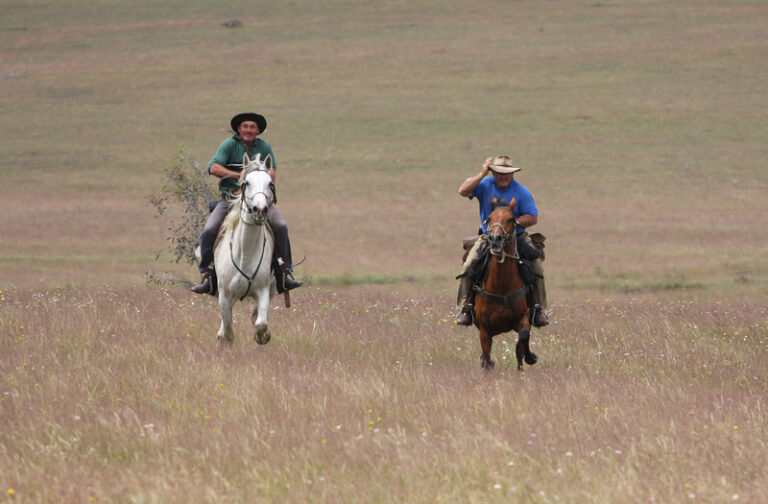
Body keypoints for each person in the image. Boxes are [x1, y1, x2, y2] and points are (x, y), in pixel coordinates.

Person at [191, 112, 303, 294]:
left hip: (259, 199)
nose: (248, 130)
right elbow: (213, 167)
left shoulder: (264, 147)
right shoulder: (229, 145)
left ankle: (284, 272)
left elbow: (271, 171)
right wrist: (242, 177)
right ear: (239, 129)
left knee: (281, 226)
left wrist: (256, 184)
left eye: (252, 127)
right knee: (209, 231)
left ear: (258, 130)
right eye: (245, 126)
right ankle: (208, 275)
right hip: (229, 198)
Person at [455, 155, 548, 327]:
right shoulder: (483, 185)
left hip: (516, 236)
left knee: (536, 265)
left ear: (512, 174)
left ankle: (538, 308)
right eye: (498, 173)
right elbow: (463, 191)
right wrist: (482, 174)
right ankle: (465, 308)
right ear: (492, 172)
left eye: (506, 173)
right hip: (488, 237)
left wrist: (511, 224)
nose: (502, 176)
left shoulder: (521, 191)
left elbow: (532, 217)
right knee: (468, 266)